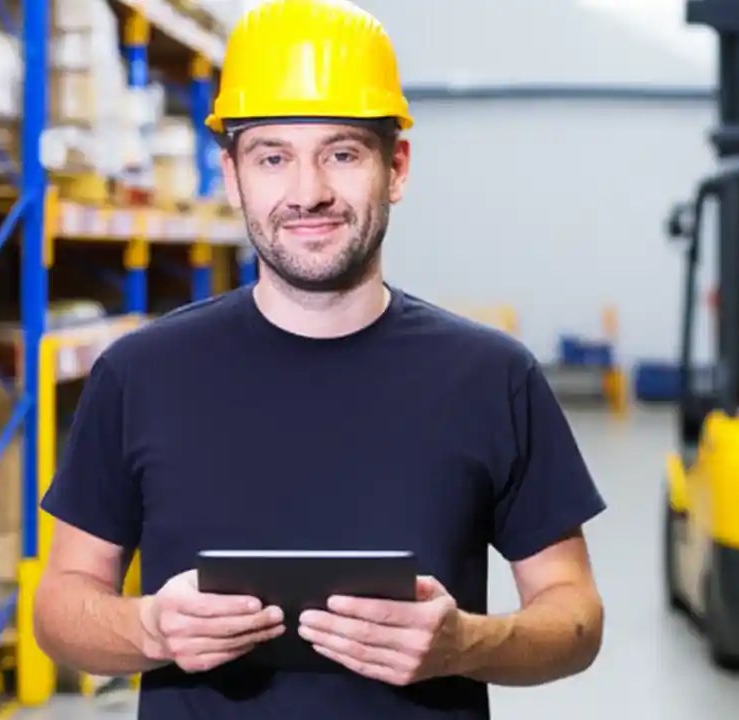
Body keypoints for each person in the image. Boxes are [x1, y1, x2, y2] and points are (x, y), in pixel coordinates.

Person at [31, 1, 607, 717]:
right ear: (233, 176)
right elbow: (60, 607)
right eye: (273, 157)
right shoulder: (141, 374)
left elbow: (575, 615)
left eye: (342, 152)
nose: (307, 193)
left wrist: (466, 644)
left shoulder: (492, 377)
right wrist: (148, 626)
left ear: (395, 167)